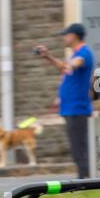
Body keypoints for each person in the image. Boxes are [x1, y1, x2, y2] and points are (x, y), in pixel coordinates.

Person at [36, 23, 94, 178]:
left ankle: (85, 181)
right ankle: (84, 179)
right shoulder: (75, 54)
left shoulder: (84, 53)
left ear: (73, 36)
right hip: (70, 108)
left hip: (77, 109)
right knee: (77, 149)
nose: (63, 38)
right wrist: (48, 57)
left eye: (65, 35)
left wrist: (72, 64)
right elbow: (65, 68)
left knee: (79, 150)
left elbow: (76, 64)